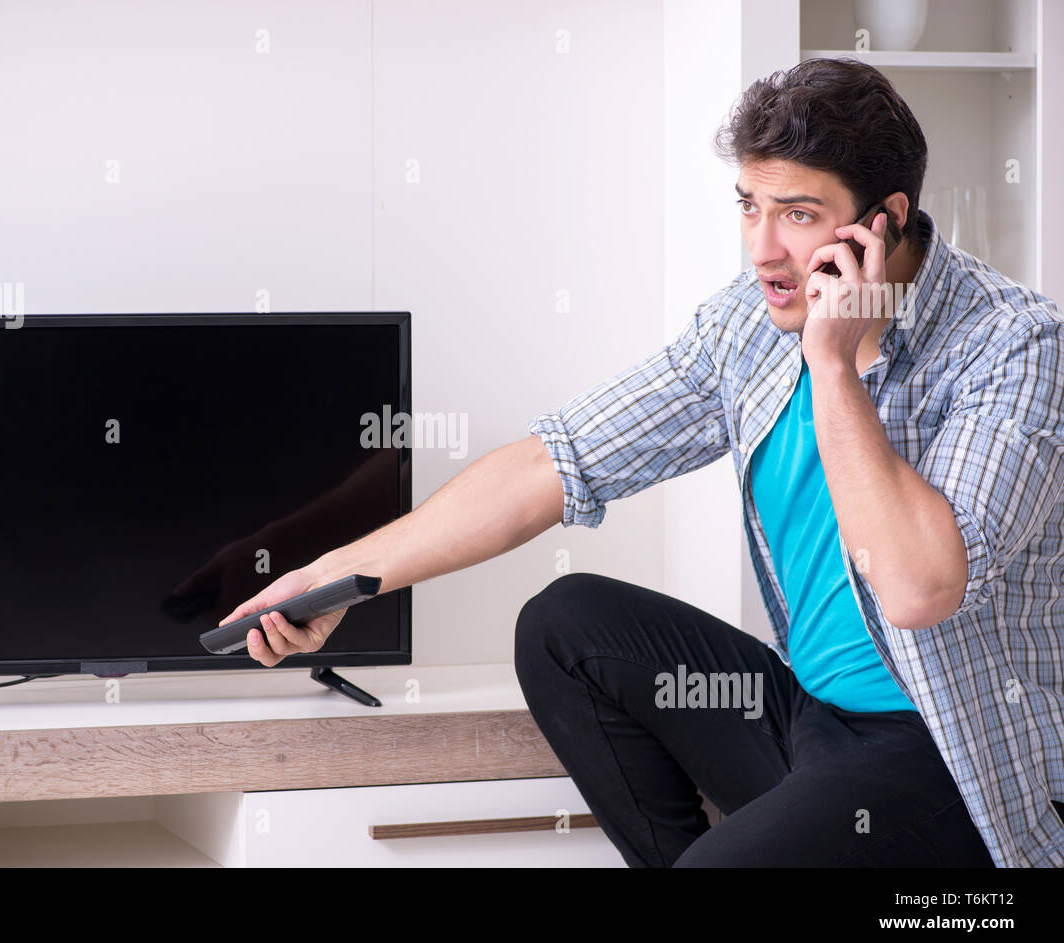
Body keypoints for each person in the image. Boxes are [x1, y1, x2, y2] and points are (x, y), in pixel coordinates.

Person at [216, 58, 1064, 868]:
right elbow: (555, 462)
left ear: (882, 220)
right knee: (565, 623)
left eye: (798, 215)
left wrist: (834, 365)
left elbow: (919, 589)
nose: (762, 249)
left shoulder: (1013, 346)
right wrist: (339, 576)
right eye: (748, 206)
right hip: (810, 721)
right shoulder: (746, 321)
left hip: (950, 758)